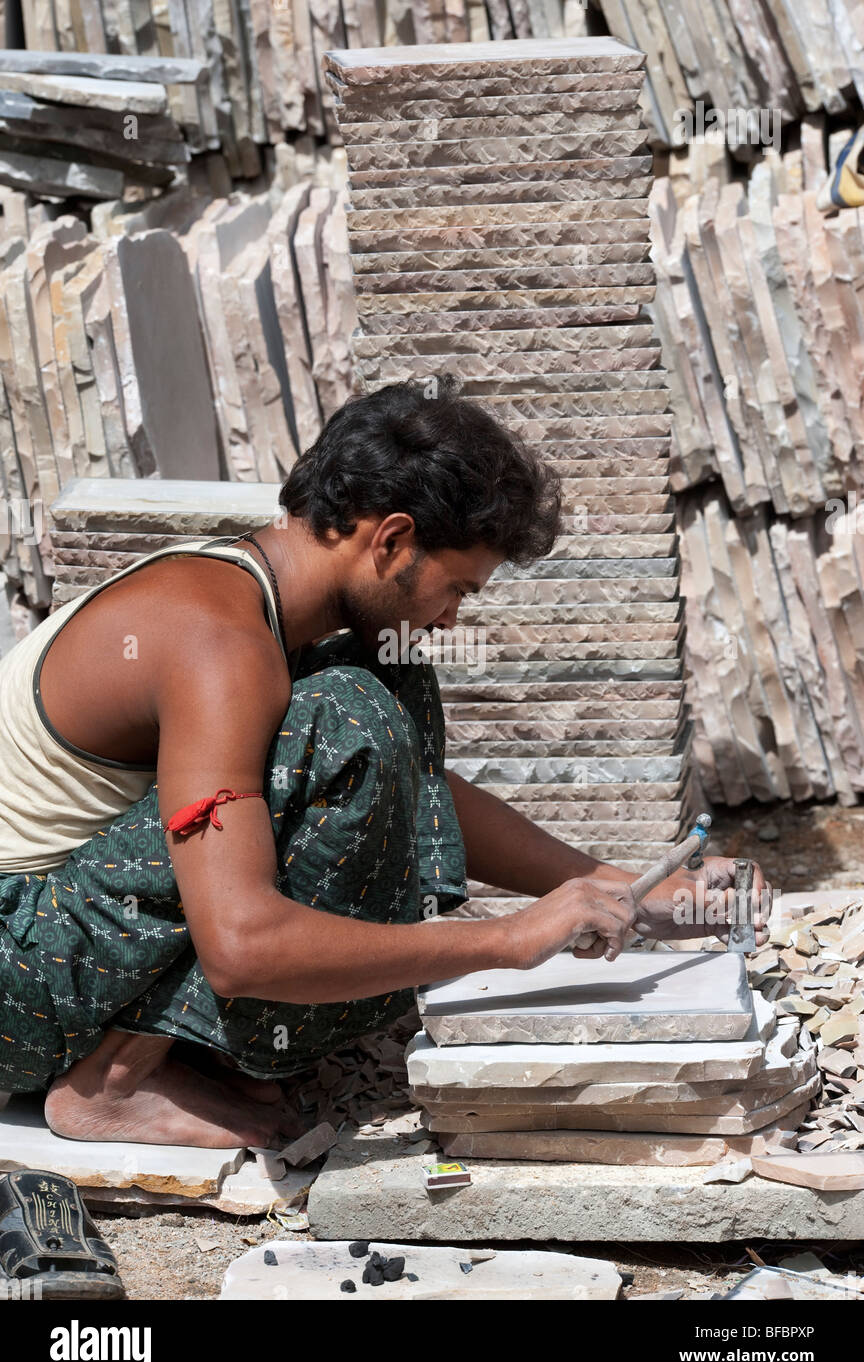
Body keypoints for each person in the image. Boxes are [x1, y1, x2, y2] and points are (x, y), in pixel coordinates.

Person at [0, 381, 770, 1149]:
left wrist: (621, 889)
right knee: (348, 717)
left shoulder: (262, 601)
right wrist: (505, 941)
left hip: (54, 937)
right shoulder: (219, 645)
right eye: (457, 589)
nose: (450, 618)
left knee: (382, 695)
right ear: (393, 540)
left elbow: (417, 790)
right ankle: (114, 1080)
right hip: (18, 971)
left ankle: (177, 1049)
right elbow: (241, 946)